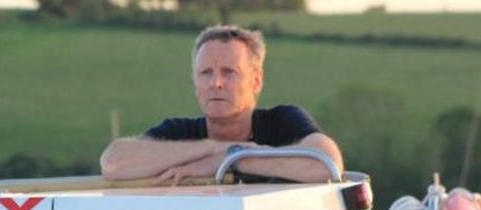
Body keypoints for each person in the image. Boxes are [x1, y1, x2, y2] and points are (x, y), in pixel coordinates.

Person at [99, 25, 342, 184]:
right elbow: (113, 163)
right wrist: (212, 147)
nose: (216, 83)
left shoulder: (282, 122)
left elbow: (328, 164)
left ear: (256, 81)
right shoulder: (179, 132)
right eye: (206, 73)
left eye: (229, 72)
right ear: (195, 83)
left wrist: (234, 158)